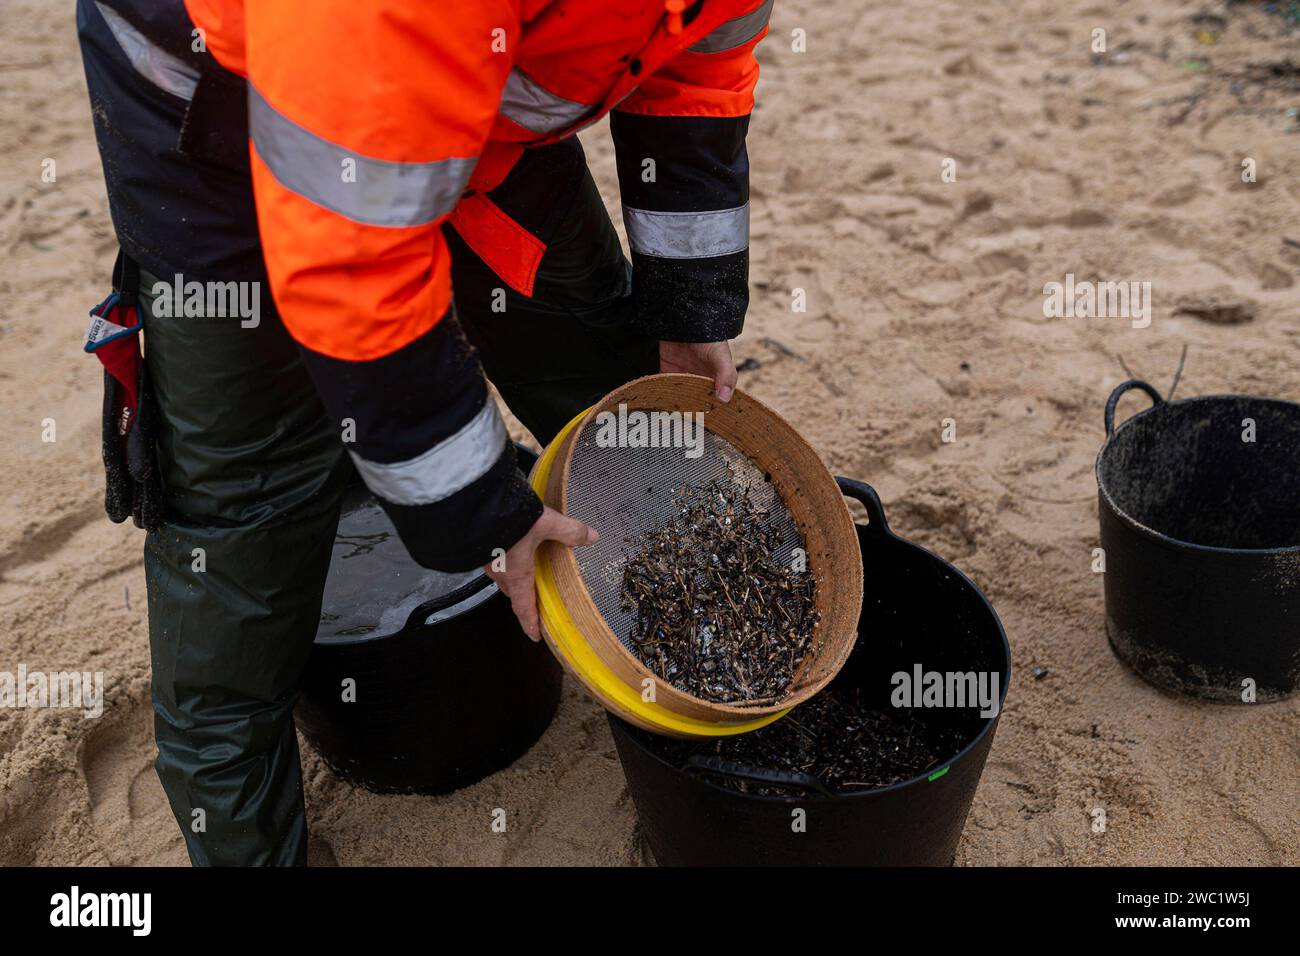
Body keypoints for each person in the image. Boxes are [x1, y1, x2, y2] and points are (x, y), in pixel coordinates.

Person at [77, 0, 771, 864]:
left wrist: (692, 301)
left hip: (469, 94)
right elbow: (351, 272)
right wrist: (485, 515)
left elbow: (697, 67)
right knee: (242, 530)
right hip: (224, 109)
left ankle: (703, 664)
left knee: (616, 387)